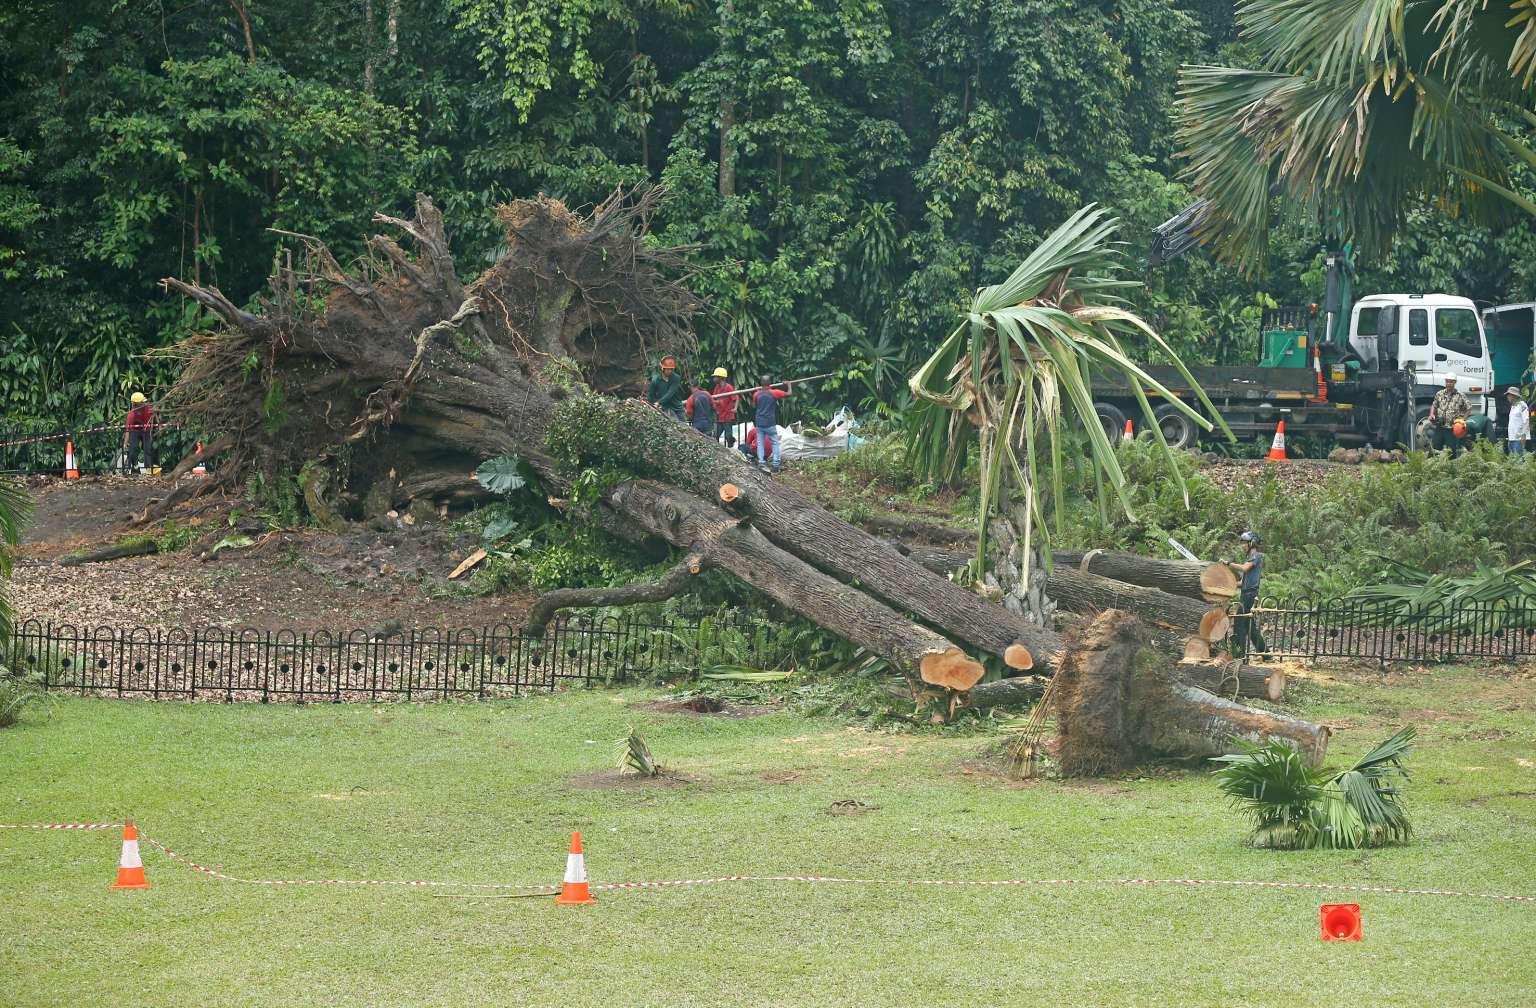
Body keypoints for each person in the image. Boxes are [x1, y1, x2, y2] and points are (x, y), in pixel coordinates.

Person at [1228, 531, 1268, 659]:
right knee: (1249, 627)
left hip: (1249, 595)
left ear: (1252, 543)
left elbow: (1244, 568)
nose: (1243, 546)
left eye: (1245, 543)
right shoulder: (1249, 559)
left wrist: (1229, 564)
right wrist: (1230, 583)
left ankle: (1239, 654)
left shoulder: (1257, 556)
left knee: (1240, 623)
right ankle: (1265, 653)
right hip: (1246, 593)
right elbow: (1242, 582)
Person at [752, 374, 791, 473]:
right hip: (770, 423)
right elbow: (789, 394)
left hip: (760, 422)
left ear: (761, 383)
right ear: (770, 383)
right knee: (775, 443)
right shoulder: (774, 393)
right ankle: (775, 465)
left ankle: (761, 462)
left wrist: (757, 392)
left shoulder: (756, 394)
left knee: (760, 443)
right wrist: (789, 385)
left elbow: (753, 405)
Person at [1427, 375, 1470, 457]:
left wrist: (1463, 420)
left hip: (1452, 428)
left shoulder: (1460, 395)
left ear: (1455, 382)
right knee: (1433, 450)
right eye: (1447, 381)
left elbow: (1469, 408)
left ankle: (1450, 468)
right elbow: (1434, 405)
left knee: (1451, 452)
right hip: (1440, 426)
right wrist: (1431, 414)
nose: (1449, 383)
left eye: (1451, 382)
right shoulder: (1439, 394)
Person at [122, 392, 156, 474]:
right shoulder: (131, 415)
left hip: (146, 430)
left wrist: (157, 426)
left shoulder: (148, 409)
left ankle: (148, 469)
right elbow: (127, 430)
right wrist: (125, 443)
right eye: (142, 401)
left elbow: (155, 415)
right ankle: (132, 468)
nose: (144, 403)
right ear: (136, 403)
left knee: (147, 449)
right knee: (133, 449)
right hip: (135, 431)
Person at [645, 355, 686, 420]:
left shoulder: (676, 378)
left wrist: (659, 402)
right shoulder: (656, 380)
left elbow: (670, 393)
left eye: (671, 369)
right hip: (664, 408)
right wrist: (653, 404)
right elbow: (651, 395)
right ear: (663, 368)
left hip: (677, 408)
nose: (669, 371)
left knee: (684, 427)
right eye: (667, 369)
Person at [710, 367, 738, 447]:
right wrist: (715, 405)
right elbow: (715, 398)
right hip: (720, 416)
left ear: (721, 378)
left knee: (728, 437)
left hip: (728, 416)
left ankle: (731, 450)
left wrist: (735, 408)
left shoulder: (729, 387)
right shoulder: (717, 388)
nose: (714, 378)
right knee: (716, 435)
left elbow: (735, 398)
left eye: (715, 377)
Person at [1506, 387, 1529, 458]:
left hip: (1519, 439)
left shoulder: (1522, 405)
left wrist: (1523, 435)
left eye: (1509, 395)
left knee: (1518, 461)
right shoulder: (1513, 407)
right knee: (1513, 462)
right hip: (1511, 438)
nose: (1507, 397)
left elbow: (1526, 420)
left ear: (1514, 396)